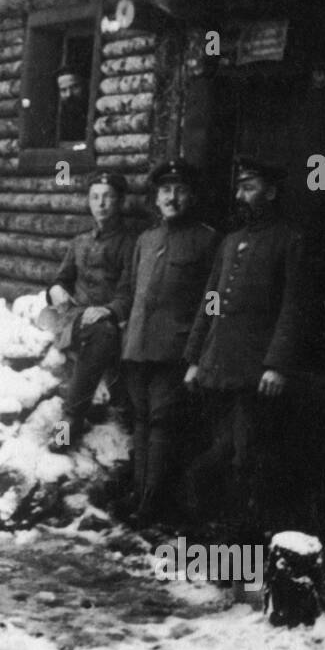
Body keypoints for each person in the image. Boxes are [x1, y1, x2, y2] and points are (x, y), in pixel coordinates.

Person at [182, 157, 308, 538]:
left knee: (244, 457)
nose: (241, 196)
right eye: (239, 188)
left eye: (249, 187)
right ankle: (212, 535)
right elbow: (212, 301)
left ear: (271, 192)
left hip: (255, 372)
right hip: (216, 365)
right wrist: (194, 357)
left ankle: (241, 546)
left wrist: (276, 365)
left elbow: (293, 307)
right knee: (218, 451)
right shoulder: (230, 242)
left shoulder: (289, 241)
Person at [120, 158, 219, 520]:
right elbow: (131, 292)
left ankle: (151, 502)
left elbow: (211, 303)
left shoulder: (207, 240)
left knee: (162, 422)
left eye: (180, 191)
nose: (172, 198)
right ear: (156, 197)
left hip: (173, 349)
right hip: (137, 345)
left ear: (191, 196)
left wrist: (196, 354)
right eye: (165, 191)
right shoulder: (146, 239)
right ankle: (138, 492)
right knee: (142, 420)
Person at [46, 172, 139, 453]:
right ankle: (96, 411)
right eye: (95, 197)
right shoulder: (80, 241)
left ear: (120, 201)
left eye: (109, 197)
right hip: (74, 316)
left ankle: (71, 419)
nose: (101, 204)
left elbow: (129, 290)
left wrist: (108, 310)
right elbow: (62, 278)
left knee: (104, 333)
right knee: (100, 335)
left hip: (107, 320)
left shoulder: (131, 243)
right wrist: (56, 290)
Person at [56, 65, 88, 144]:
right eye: (63, 90)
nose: (69, 94)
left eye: (74, 87)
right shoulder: (60, 117)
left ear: (85, 85)